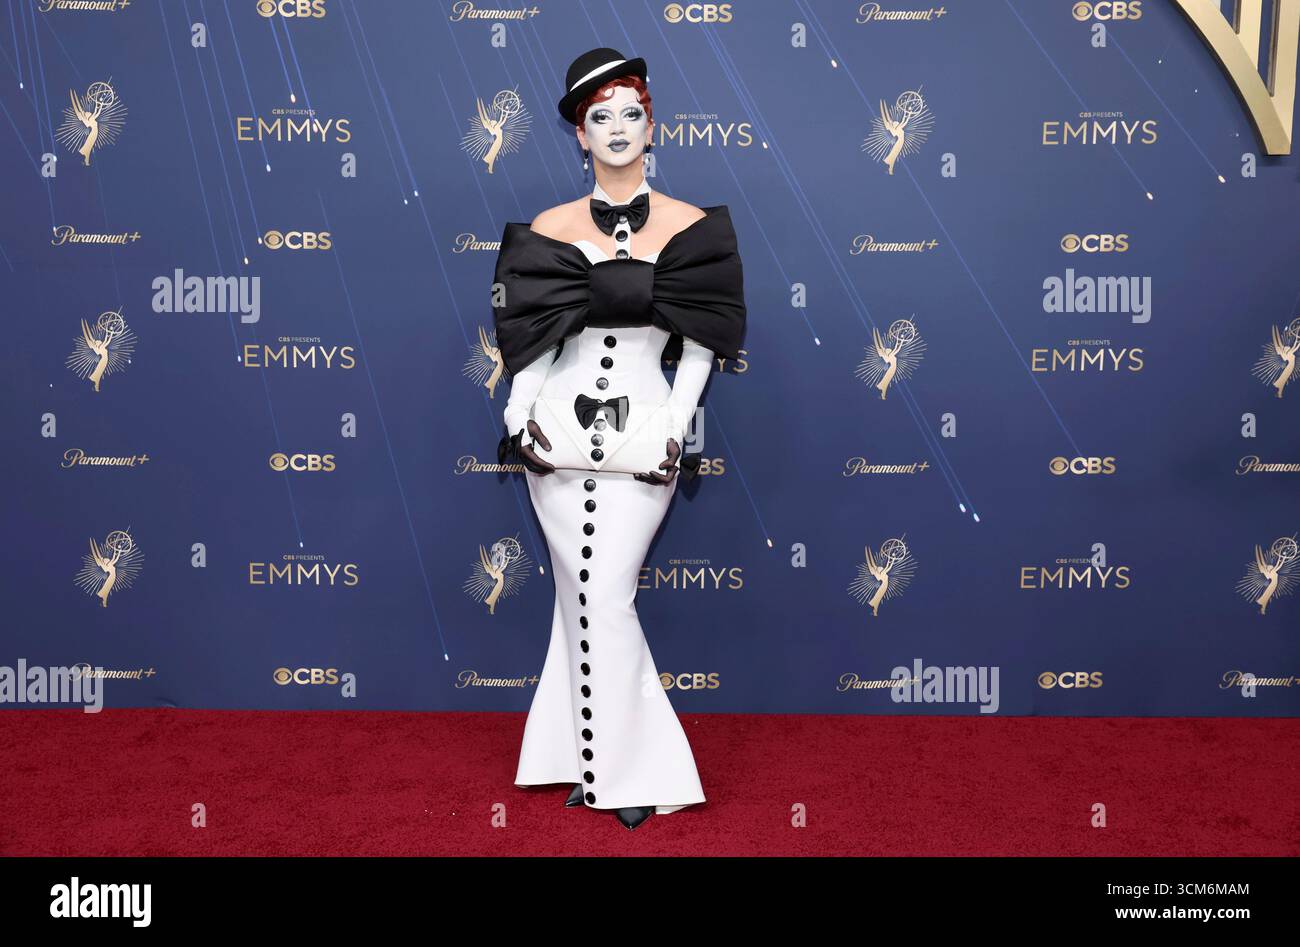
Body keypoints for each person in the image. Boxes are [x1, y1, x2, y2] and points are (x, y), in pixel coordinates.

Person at [492, 47, 746, 830]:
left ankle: (643, 769)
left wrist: (675, 423)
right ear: (578, 135)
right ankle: (578, 756)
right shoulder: (550, 228)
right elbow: (535, 335)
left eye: (629, 113)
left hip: (645, 434)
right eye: (598, 117)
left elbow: (702, 343)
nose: (615, 129)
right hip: (557, 436)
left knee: (606, 592)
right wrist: (518, 408)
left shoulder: (690, 226)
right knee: (578, 595)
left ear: (651, 123)